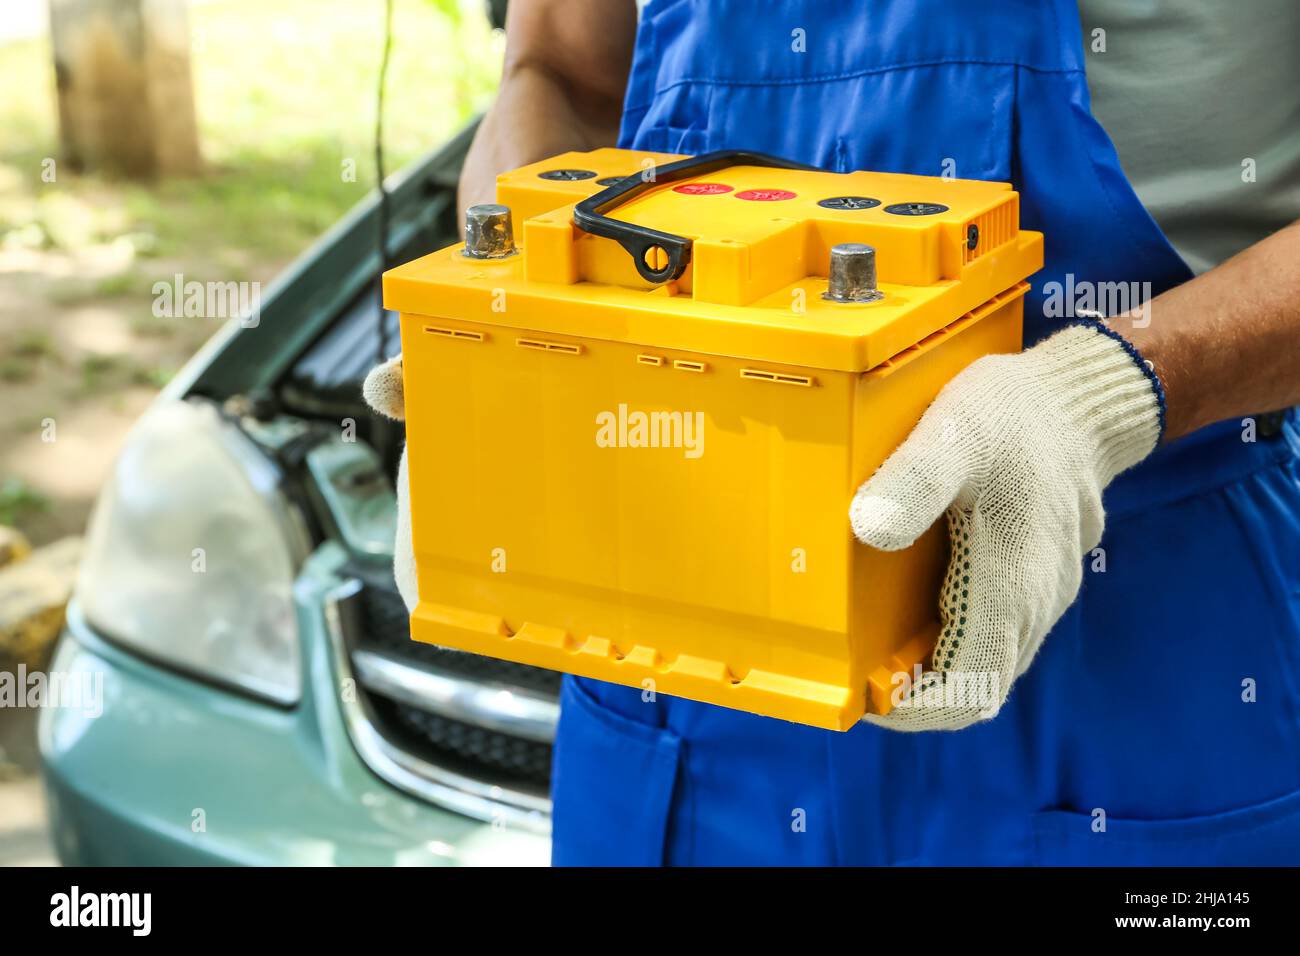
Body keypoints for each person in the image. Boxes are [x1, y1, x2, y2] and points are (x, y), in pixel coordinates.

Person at [451, 0, 1300, 864]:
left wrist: (1102, 396)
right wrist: (507, 338)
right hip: (684, 636)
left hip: (1142, 631)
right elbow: (557, 73)